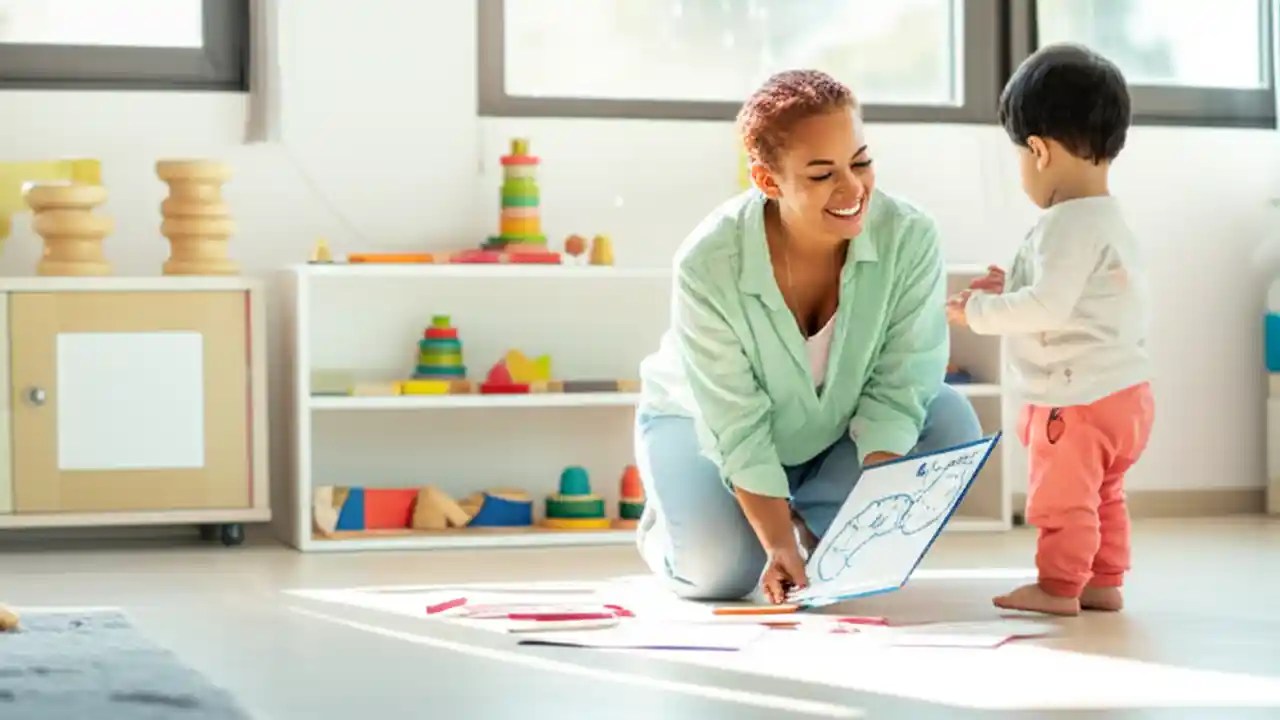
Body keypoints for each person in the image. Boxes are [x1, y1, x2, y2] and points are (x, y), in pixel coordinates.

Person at [634, 69, 983, 604]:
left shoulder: (909, 236)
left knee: (951, 419)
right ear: (768, 181)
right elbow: (735, 423)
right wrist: (776, 542)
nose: (853, 189)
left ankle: (812, 516)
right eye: (822, 174)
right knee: (720, 575)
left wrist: (866, 521)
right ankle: (677, 526)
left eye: (860, 162)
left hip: (828, 429)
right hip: (704, 426)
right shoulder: (709, 262)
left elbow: (901, 384)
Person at [947, 43, 1154, 616]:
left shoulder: (1064, 223)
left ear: (1038, 150)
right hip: (1126, 396)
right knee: (1104, 493)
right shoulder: (1112, 219)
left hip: (1075, 400)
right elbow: (1077, 296)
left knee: (1061, 499)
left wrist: (978, 313)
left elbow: (1046, 307)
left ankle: (1059, 585)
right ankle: (1103, 581)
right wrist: (1007, 285)